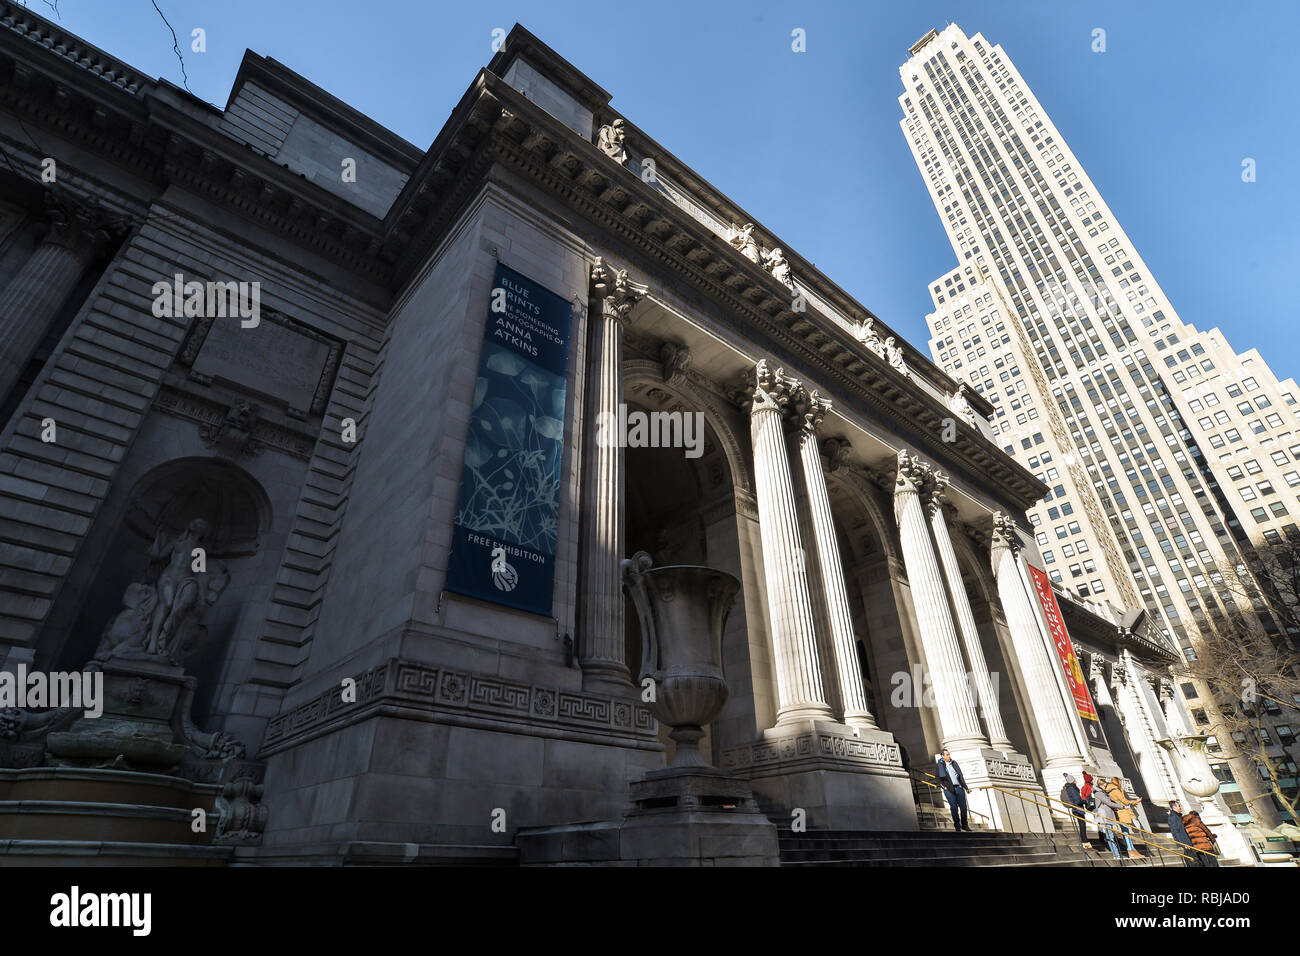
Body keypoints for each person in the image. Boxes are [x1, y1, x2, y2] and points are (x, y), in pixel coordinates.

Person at [1092, 781, 1137, 860]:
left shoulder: (1103, 793)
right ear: (1100, 785)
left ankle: (1117, 854)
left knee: (1111, 835)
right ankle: (1116, 855)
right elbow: (1109, 803)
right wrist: (1123, 807)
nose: (1106, 787)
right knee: (1110, 836)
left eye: (1106, 786)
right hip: (1105, 816)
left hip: (1108, 815)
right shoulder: (1099, 794)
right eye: (1105, 786)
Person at [1105, 777, 1145, 860]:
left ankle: (1133, 850)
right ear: (1117, 782)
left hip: (1119, 812)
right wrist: (1136, 801)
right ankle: (1131, 851)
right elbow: (1125, 801)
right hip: (1122, 812)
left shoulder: (1111, 790)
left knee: (1126, 833)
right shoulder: (1116, 790)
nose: (1121, 783)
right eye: (1120, 782)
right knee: (1126, 833)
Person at [935, 748, 972, 831]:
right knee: (954, 808)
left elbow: (960, 775)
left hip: (958, 788)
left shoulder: (954, 763)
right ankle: (957, 826)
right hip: (948, 789)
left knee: (963, 807)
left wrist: (965, 787)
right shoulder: (940, 765)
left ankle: (965, 825)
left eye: (949, 754)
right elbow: (937, 778)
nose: (949, 756)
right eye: (947, 755)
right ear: (942, 756)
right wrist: (943, 786)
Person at [1061, 773, 1088, 848]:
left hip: (1076, 809)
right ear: (1072, 781)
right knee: (1082, 826)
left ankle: (1084, 841)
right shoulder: (1072, 789)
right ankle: (1084, 842)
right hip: (1077, 809)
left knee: (1082, 825)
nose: (1076, 781)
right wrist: (1085, 801)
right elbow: (1077, 800)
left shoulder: (1070, 788)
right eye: (1074, 780)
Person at [1168, 801, 1195, 867]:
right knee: (1192, 861)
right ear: (1174, 807)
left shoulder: (1179, 816)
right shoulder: (1172, 817)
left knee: (1193, 860)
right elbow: (1175, 831)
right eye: (1179, 806)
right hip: (1185, 843)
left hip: (1188, 841)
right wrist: (1183, 843)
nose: (1180, 807)